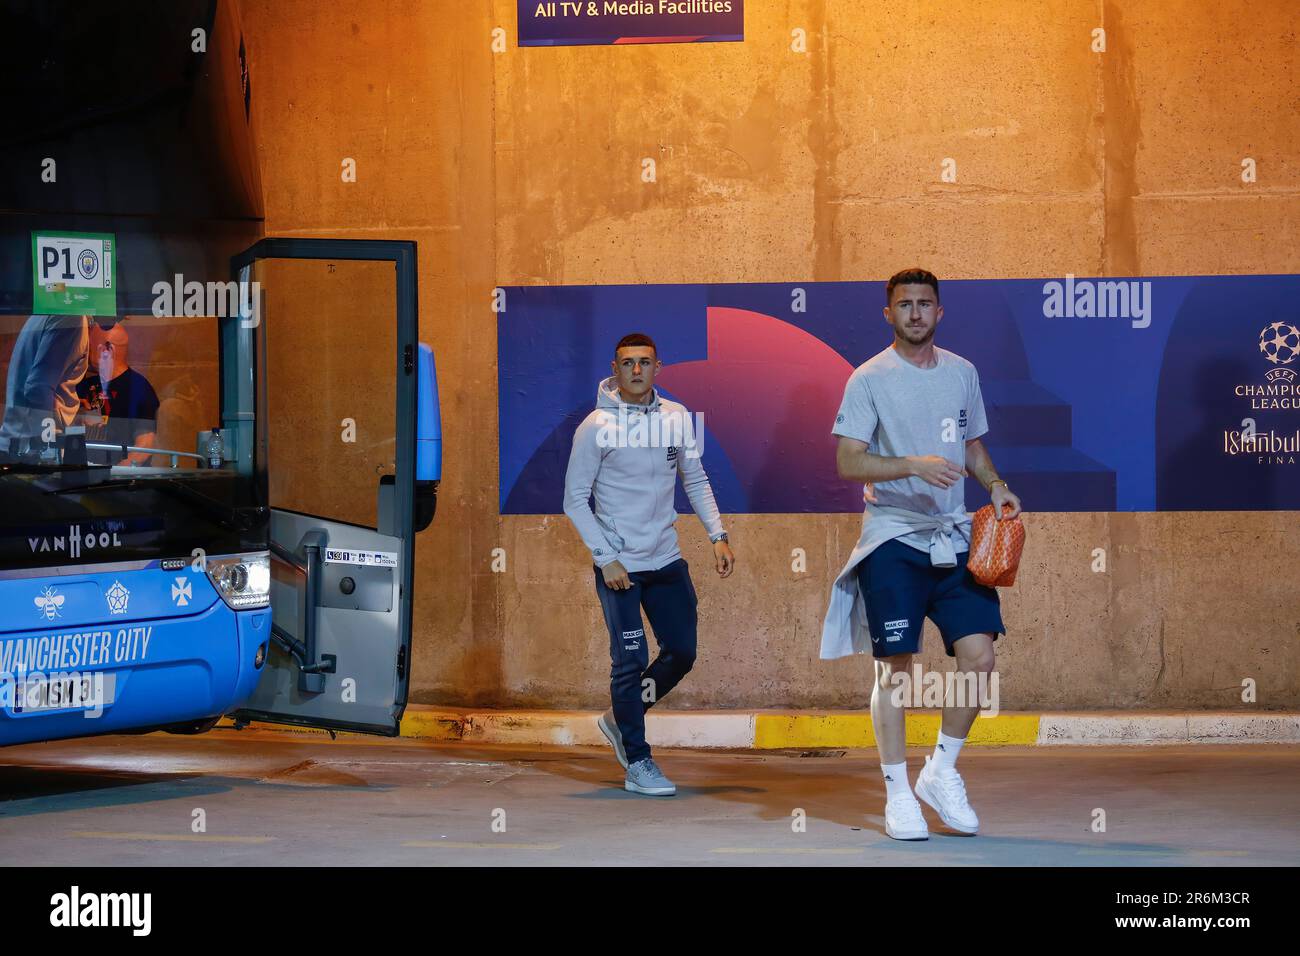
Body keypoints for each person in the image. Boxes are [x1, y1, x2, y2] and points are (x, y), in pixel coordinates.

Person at [821, 268, 1023, 841]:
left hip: (955, 540)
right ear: (889, 314)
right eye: (904, 304)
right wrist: (913, 464)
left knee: (980, 662)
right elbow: (848, 462)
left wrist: (995, 484)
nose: (915, 313)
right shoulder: (868, 380)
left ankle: (941, 771)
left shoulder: (963, 373)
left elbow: (971, 442)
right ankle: (897, 793)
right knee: (897, 673)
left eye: (924, 304)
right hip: (893, 539)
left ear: (940, 312)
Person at [563, 332, 735, 796]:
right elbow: (574, 500)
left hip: (666, 560)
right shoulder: (595, 426)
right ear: (615, 370)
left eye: (644, 363)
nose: (636, 370)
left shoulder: (676, 418)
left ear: (658, 368)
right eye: (627, 363)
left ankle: (621, 719)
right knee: (630, 660)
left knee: (681, 653)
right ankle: (638, 762)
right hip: (620, 567)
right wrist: (607, 559)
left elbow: (695, 478)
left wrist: (717, 535)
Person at [0, 313, 89, 461]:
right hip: (29, 451)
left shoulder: (44, 314)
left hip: (19, 443)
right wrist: (46, 449)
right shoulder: (71, 318)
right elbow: (38, 388)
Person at [76, 320, 159, 466]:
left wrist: (115, 474)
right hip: (82, 477)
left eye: (88, 346)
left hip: (118, 482)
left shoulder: (139, 389)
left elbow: (144, 447)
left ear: (107, 350)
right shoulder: (84, 385)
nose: (83, 351)